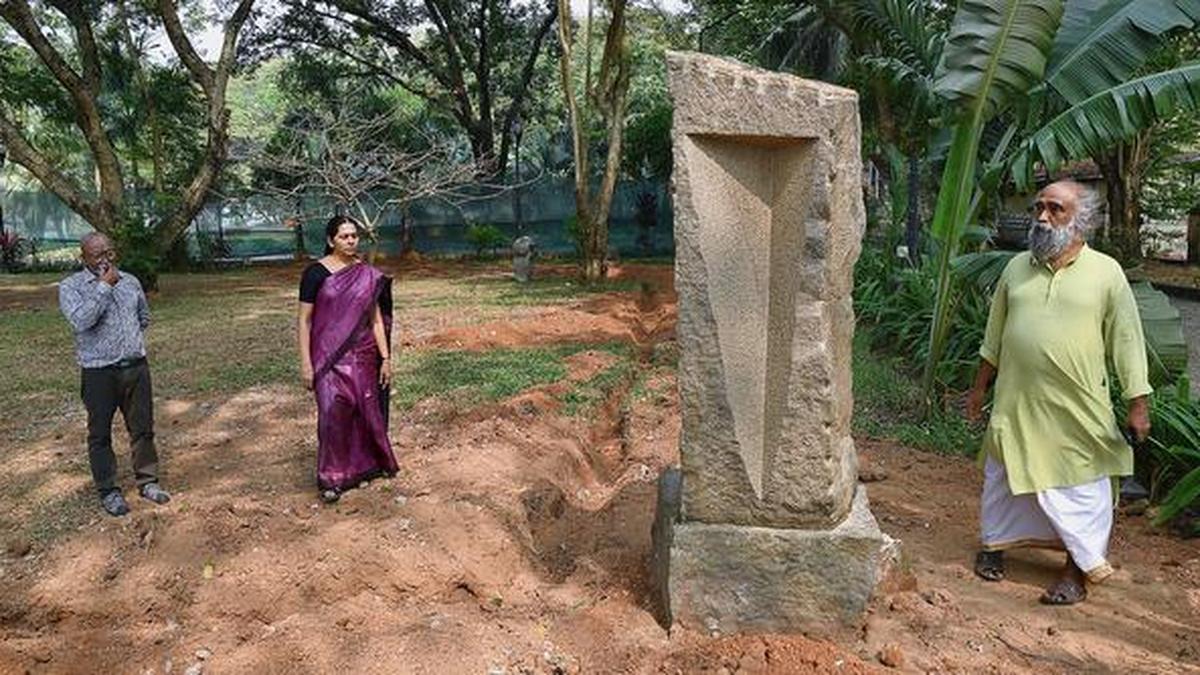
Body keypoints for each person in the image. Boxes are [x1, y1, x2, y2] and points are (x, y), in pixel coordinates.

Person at [965, 180, 1151, 605]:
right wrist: (978, 389)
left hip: (1078, 407)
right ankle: (995, 546)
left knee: (1083, 484)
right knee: (1004, 476)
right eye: (1038, 209)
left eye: (1056, 209)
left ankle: (1075, 569)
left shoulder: (1106, 272)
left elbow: (1127, 341)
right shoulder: (1015, 269)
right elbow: (993, 338)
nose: (1043, 217)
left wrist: (1137, 404)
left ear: (1079, 219)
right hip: (1017, 401)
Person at [58, 232, 170, 517]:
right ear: (83, 258)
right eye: (98, 255)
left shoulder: (131, 281)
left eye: (109, 252)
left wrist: (128, 341)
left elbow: (144, 317)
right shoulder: (71, 287)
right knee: (99, 434)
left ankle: (148, 482)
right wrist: (104, 287)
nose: (106, 260)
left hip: (135, 368)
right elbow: (81, 321)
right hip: (98, 373)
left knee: (142, 428)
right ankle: (109, 491)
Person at [297, 216, 398, 502]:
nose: (351, 241)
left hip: (363, 355)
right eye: (344, 236)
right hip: (327, 358)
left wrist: (386, 358)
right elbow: (304, 321)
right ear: (331, 240)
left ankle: (367, 467)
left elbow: (375, 319)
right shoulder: (315, 273)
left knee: (364, 409)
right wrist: (305, 363)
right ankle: (331, 477)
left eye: (354, 236)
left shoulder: (366, 274)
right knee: (332, 415)